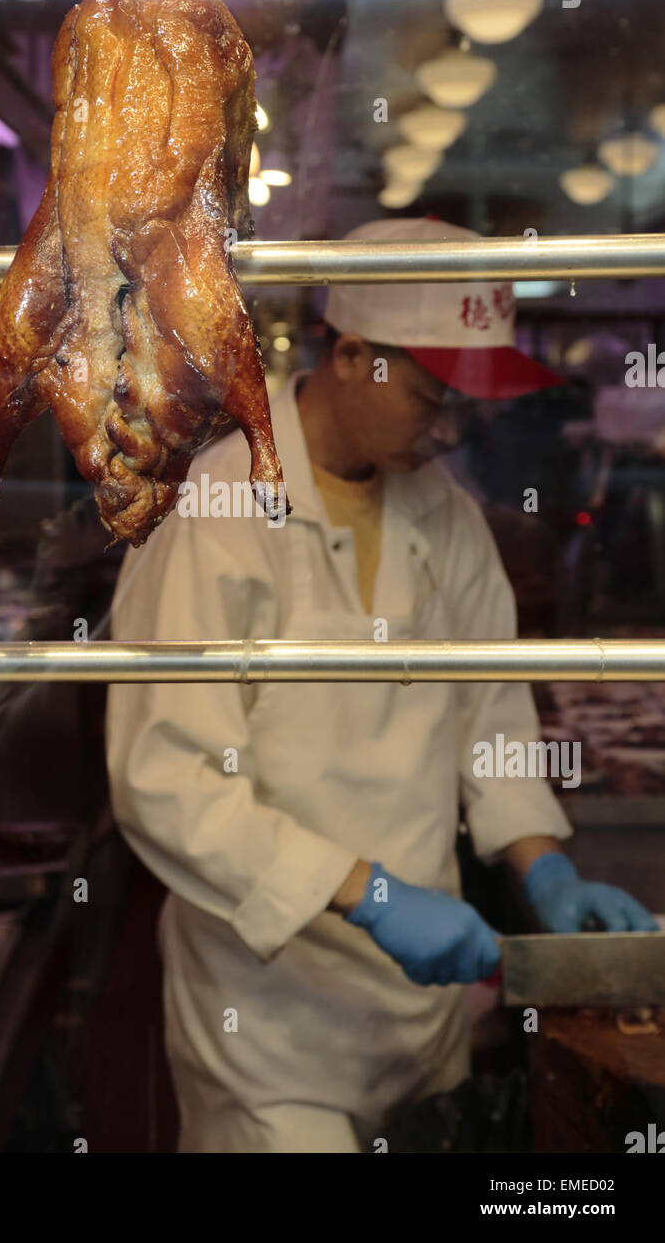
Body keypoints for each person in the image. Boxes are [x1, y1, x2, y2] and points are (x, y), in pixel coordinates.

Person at [106, 216, 656, 1154]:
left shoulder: (448, 520)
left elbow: (491, 717)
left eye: (469, 404)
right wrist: (368, 895)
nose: (451, 427)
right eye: (435, 393)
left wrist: (544, 869)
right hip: (272, 1038)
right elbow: (164, 778)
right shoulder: (219, 506)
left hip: (419, 1028)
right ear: (352, 353)